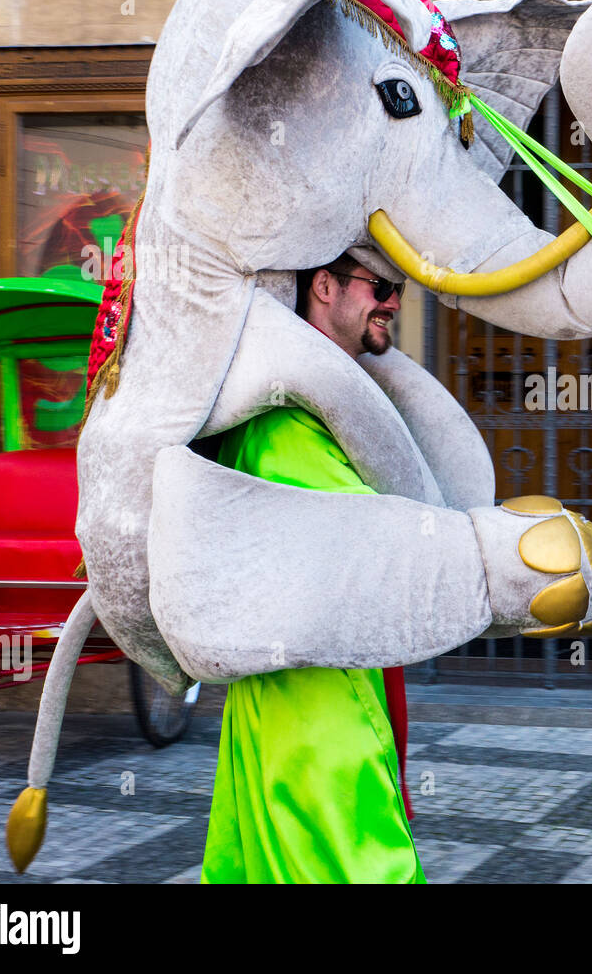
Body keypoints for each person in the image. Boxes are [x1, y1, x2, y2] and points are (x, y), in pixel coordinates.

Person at [200, 249, 422, 883]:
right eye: (381, 285)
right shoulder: (288, 420)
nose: (395, 303)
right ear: (324, 286)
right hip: (315, 701)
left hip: (297, 691)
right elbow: (366, 539)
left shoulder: (314, 406)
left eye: (400, 288)